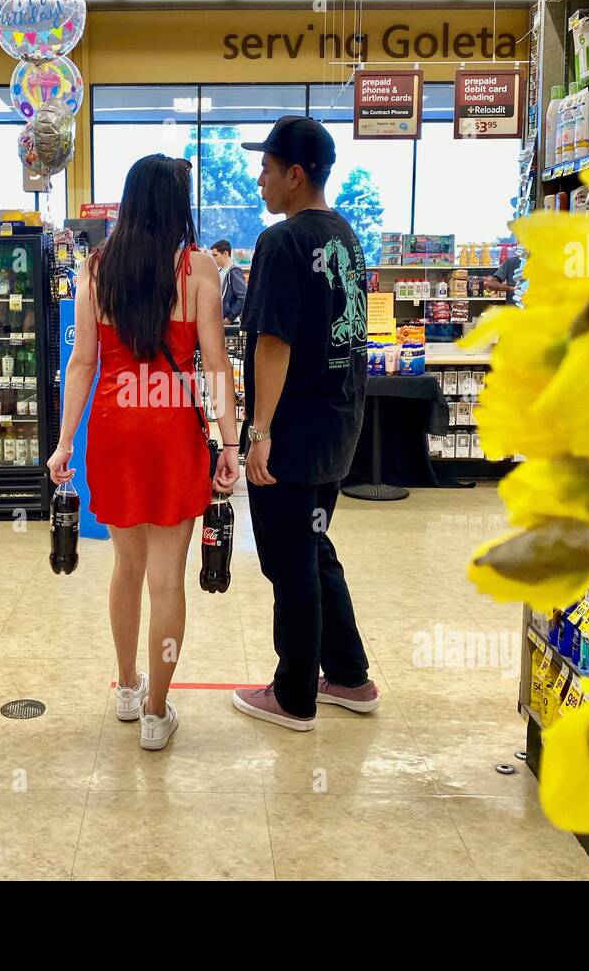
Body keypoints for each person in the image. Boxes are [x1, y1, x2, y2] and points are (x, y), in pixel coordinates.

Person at [48, 154, 239, 751]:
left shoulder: (96, 266)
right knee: (166, 581)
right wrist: (230, 442)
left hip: (113, 425)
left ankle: (127, 687)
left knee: (125, 569)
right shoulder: (198, 266)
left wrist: (62, 443)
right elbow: (214, 365)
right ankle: (157, 712)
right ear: (177, 205)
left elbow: (82, 363)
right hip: (173, 425)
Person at [231, 115, 379, 731]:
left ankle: (294, 695)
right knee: (314, 547)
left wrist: (259, 431)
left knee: (289, 560)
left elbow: (273, 344)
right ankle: (348, 675)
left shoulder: (282, 242)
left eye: (266, 168)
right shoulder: (346, 235)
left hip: (292, 432)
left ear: (295, 175)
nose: (259, 179)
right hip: (340, 423)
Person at [211, 239, 248, 323]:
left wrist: (230, 318)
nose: (213, 258)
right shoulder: (221, 272)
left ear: (225, 254)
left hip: (229, 321)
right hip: (220, 319)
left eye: (215, 255)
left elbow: (243, 297)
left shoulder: (234, 272)